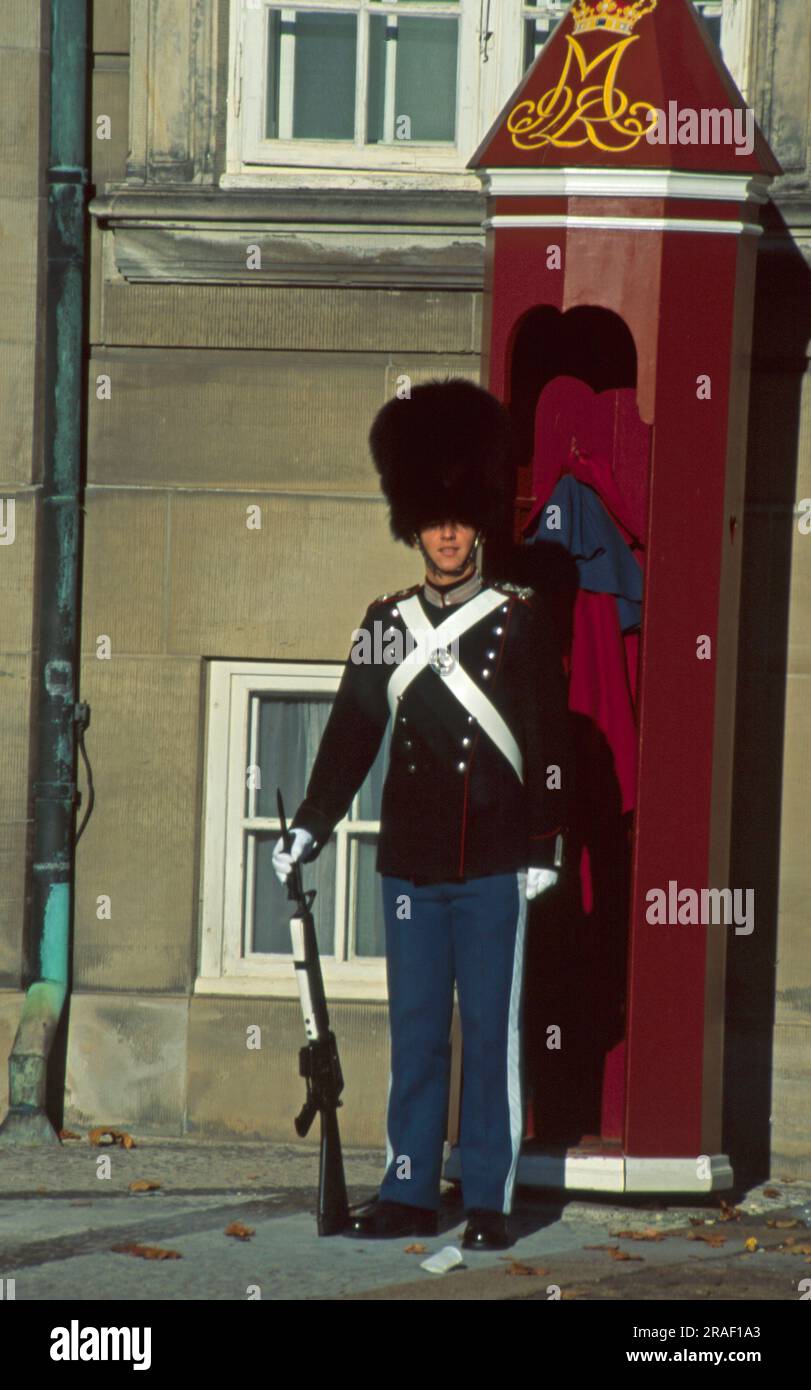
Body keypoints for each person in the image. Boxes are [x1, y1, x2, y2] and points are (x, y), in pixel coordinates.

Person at [273, 377, 572, 1250]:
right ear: (414, 522)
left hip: (492, 866)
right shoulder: (384, 624)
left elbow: (548, 738)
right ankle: (407, 1188)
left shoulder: (519, 621)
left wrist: (545, 842)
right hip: (409, 864)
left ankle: (486, 1194)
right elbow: (351, 730)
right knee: (414, 1035)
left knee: (488, 1034)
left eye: (459, 516)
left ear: (479, 520)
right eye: (432, 518)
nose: (446, 532)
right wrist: (311, 823)